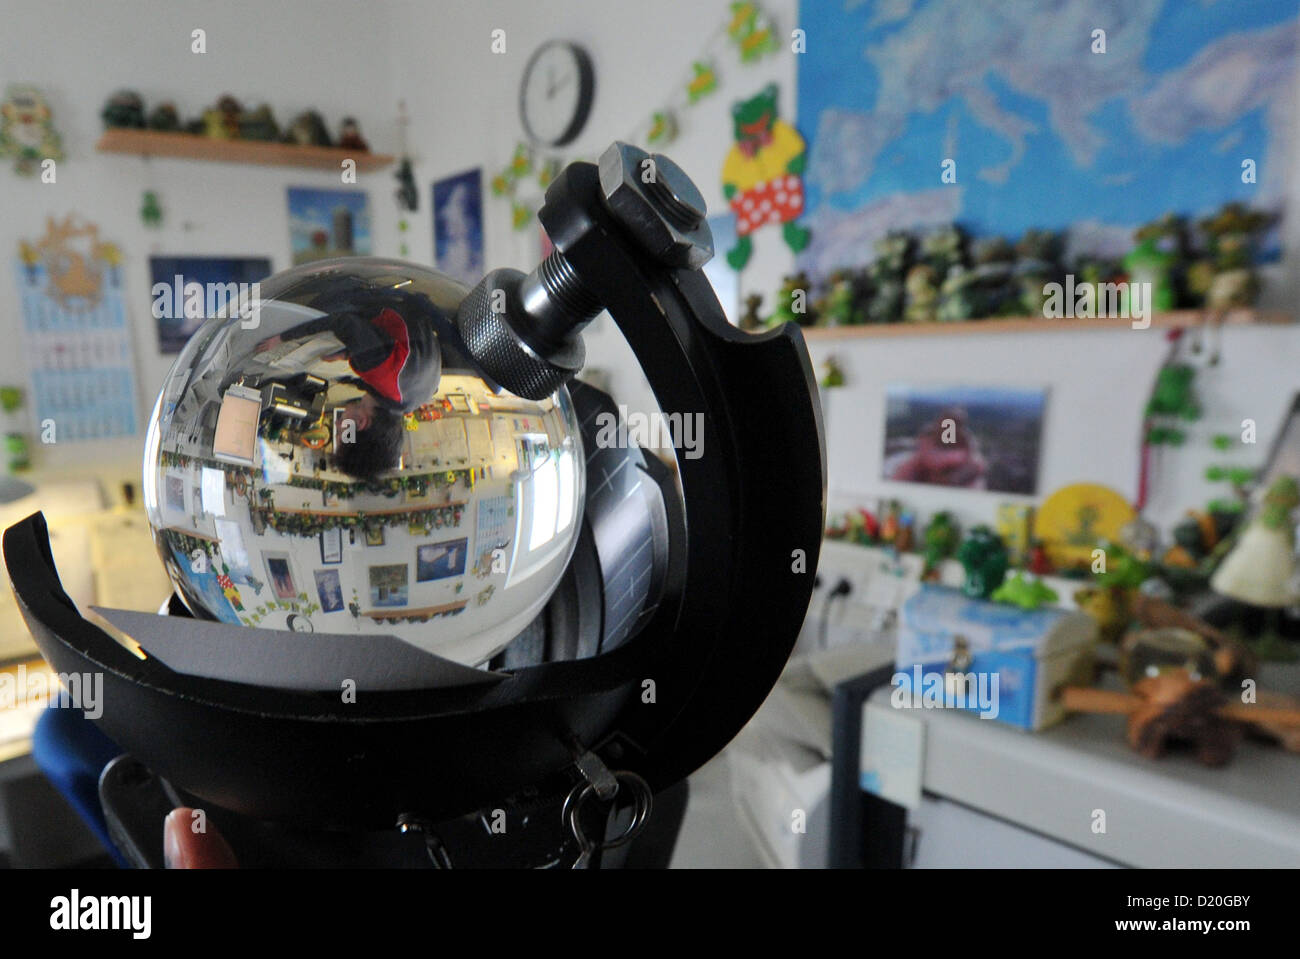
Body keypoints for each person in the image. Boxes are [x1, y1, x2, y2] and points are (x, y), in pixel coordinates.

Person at [255, 304, 440, 479]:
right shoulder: (380, 370)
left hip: (420, 319)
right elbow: (342, 322)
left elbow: (384, 354)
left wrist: (349, 353)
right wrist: (281, 338)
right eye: (342, 433)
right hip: (388, 302)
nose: (337, 424)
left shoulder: (406, 403)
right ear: (360, 423)